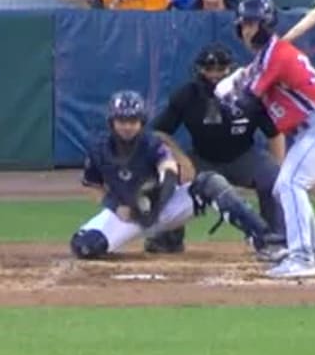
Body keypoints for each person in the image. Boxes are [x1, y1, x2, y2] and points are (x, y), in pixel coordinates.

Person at [216, 0, 315, 278]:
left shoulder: (275, 57)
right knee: (287, 185)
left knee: (290, 184)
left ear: (266, 24)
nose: (247, 31)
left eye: (253, 25)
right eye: (244, 25)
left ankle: (303, 258)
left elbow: (247, 105)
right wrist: (238, 79)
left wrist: (230, 90)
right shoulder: (269, 57)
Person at [70, 89, 284, 260]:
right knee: (85, 246)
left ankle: (265, 238)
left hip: (165, 206)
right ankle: (152, 237)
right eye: (122, 121)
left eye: (133, 121)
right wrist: (116, 206)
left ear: (141, 122)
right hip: (128, 215)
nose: (127, 127)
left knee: (210, 183)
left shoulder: (152, 143)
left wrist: (157, 198)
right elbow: (91, 185)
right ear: (112, 122)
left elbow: (169, 168)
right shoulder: (98, 149)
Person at [146, 43, 288, 257]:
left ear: (230, 69)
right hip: (202, 158)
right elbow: (158, 132)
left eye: (220, 68)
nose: (214, 74)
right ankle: (168, 238)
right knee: (169, 174)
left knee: (273, 179)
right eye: (208, 68)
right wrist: (181, 158)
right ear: (199, 69)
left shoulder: (250, 94)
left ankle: (273, 239)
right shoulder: (187, 95)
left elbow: (275, 133)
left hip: (243, 156)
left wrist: (280, 171)